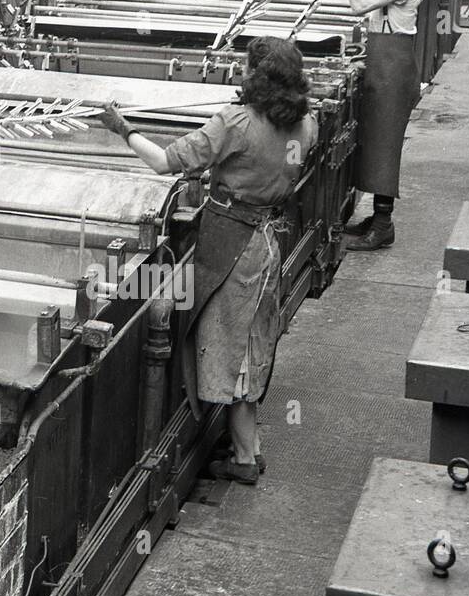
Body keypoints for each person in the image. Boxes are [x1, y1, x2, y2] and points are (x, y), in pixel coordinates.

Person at [99, 38, 318, 484]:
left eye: (245, 68)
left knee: (232, 349)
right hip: (267, 242)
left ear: (258, 77)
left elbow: (163, 162)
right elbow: (275, 158)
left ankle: (242, 460)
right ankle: (249, 448)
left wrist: (122, 128)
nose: (239, 73)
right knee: (255, 343)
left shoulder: (235, 123)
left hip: (233, 248)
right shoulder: (307, 124)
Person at [303, 0, 421, 250]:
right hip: (380, 63)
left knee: (386, 144)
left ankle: (383, 226)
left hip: (394, 67)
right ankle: (379, 218)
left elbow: (358, 6)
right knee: (374, 142)